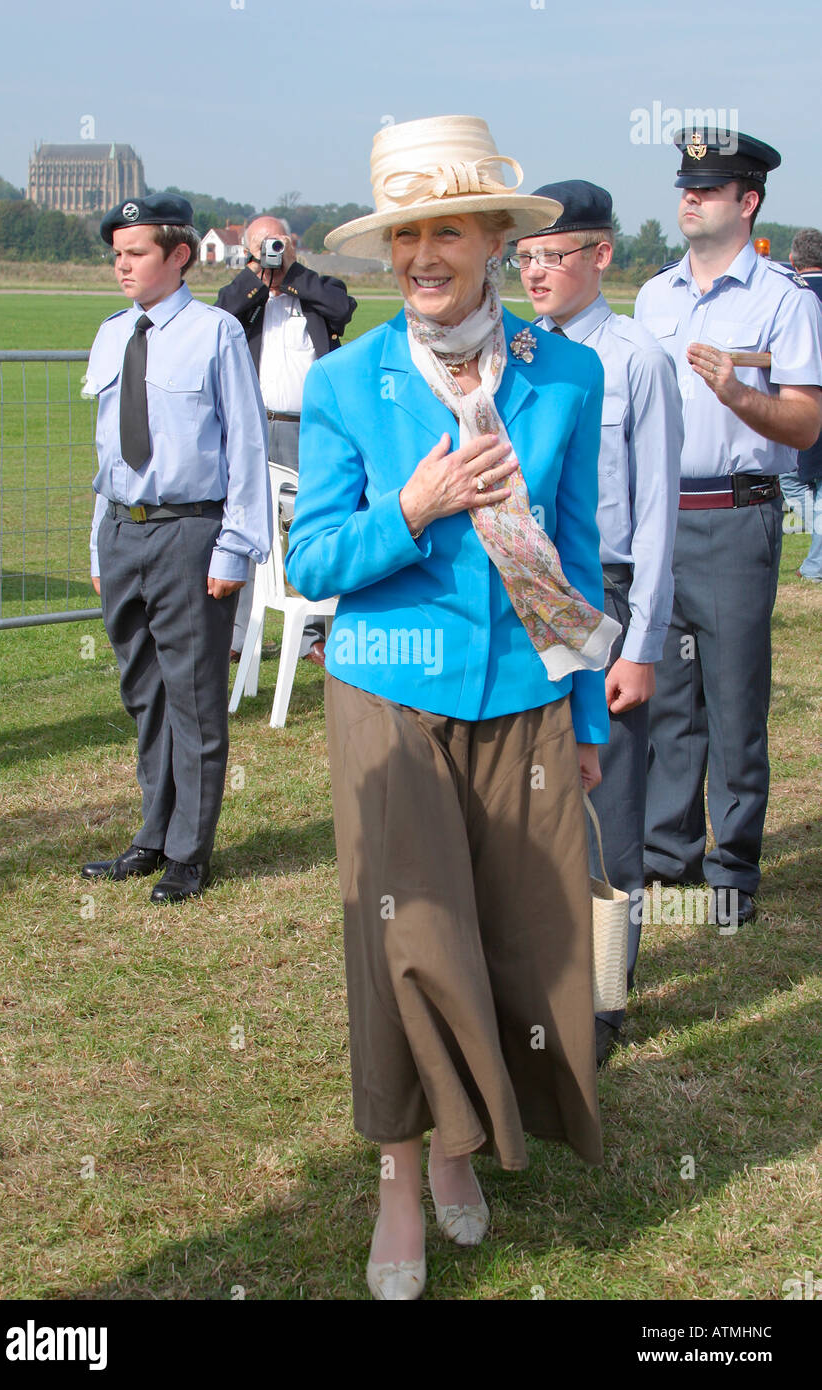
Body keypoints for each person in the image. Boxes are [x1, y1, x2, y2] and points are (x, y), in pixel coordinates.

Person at [286, 115, 620, 1300]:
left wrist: (584, 722)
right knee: (405, 946)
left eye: (448, 230)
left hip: (526, 694)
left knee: (521, 936)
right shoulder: (344, 382)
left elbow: (574, 548)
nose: (425, 254)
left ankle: (461, 1144)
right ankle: (398, 1177)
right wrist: (414, 507)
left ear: (492, 239)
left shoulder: (566, 371)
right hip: (389, 699)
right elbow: (312, 560)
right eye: (406, 234)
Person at [634, 129, 822, 927]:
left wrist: (739, 394)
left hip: (738, 515)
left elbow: (807, 424)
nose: (689, 198)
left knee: (736, 700)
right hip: (661, 517)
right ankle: (667, 856)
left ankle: (733, 869)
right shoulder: (653, 296)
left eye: (707, 189)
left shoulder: (785, 299)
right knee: (669, 700)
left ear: (747, 202)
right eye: (685, 186)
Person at [515, 179, 682, 1066]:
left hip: (605, 598)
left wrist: (643, 644)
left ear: (602, 255)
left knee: (608, 802)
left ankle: (604, 998)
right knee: (529, 790)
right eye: (527, 256)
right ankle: (537, 977)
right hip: (526, 588)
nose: (536, 273)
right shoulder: (513, 353)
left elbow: (656, 517)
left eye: (555, 255)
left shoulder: (636, 359)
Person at [82, 193, 271, 903]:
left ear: (179, 256)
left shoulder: (215, 333)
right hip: (123, 531)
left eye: (135, 254)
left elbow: (247, 447)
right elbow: (106, 450)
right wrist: (100, 547)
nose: (121, 267)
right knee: (144, 692)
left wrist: (234, 550)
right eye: (117, 255)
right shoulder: (110, 335)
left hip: (191, 532)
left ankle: (190, 853)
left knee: (193, 697)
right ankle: (153, 834)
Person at [217, 215, 357, 664]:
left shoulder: (314, 292)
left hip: (310, 429)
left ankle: (310, 635)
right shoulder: (246, 299)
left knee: (312, 525)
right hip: (253, 427)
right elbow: (222, 312)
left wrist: (290, 274)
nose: (272, 253)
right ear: (247, 251)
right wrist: (259, 277)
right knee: (244, 525)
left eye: (279, 245)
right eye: (263, 247)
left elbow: (343, 307)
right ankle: (237, 634)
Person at [780, 228, 822, 580]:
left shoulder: (790, 296)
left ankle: (816, 557)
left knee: (790, 480)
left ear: (793, 259)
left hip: (801, 403)